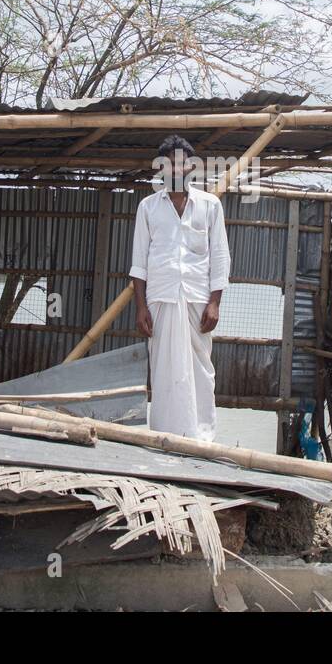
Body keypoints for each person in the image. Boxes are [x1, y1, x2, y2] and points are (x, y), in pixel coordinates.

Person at [129, 134, 230, 441]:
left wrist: (215, 303)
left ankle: (201, 439)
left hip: (198, 300)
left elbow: (220, 256)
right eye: (169, 164)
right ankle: (164, 436)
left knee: (201, 370)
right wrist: (141, 307)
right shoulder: (147, 207)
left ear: (190, 168)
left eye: (182, 164)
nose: (176, 169)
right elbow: (138, 262)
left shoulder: (210, 205)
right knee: (164, 371)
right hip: (160, 298)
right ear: (161, 168)